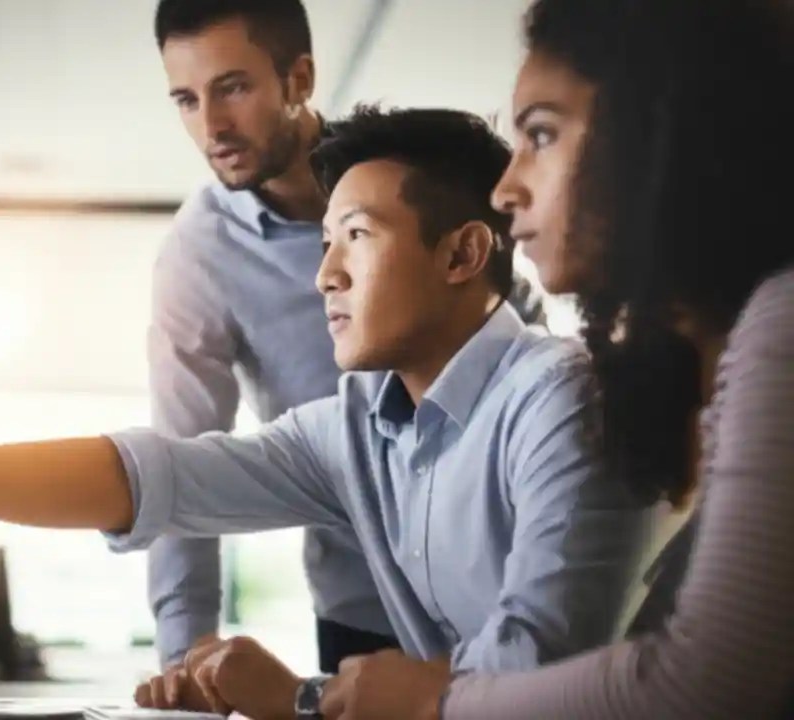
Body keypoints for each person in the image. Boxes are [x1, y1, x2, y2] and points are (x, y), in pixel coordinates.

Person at [0, 107, 653, 716]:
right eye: (326, 241)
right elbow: (147, 474)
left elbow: (533, 681)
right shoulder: (360, 424)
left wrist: (304, 703)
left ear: (462, 255)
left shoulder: (561, 398)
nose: (325, 274)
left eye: (356, 238)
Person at [270, 0, 794, 718]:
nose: (505, 189)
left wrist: (434, 702)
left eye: (542, 134)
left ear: (664, 140)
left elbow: (705, 683)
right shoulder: (719, 366)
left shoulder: (780, 324)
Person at [146, 0, 544, 674]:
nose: (210, 125)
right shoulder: (199, 254)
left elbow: (514, 342)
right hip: (362, 605)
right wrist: (187, 655)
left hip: (497, 588)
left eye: (232, 88)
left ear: (298, 80)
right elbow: (183, 466)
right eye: (186, 100)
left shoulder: (411, 176)